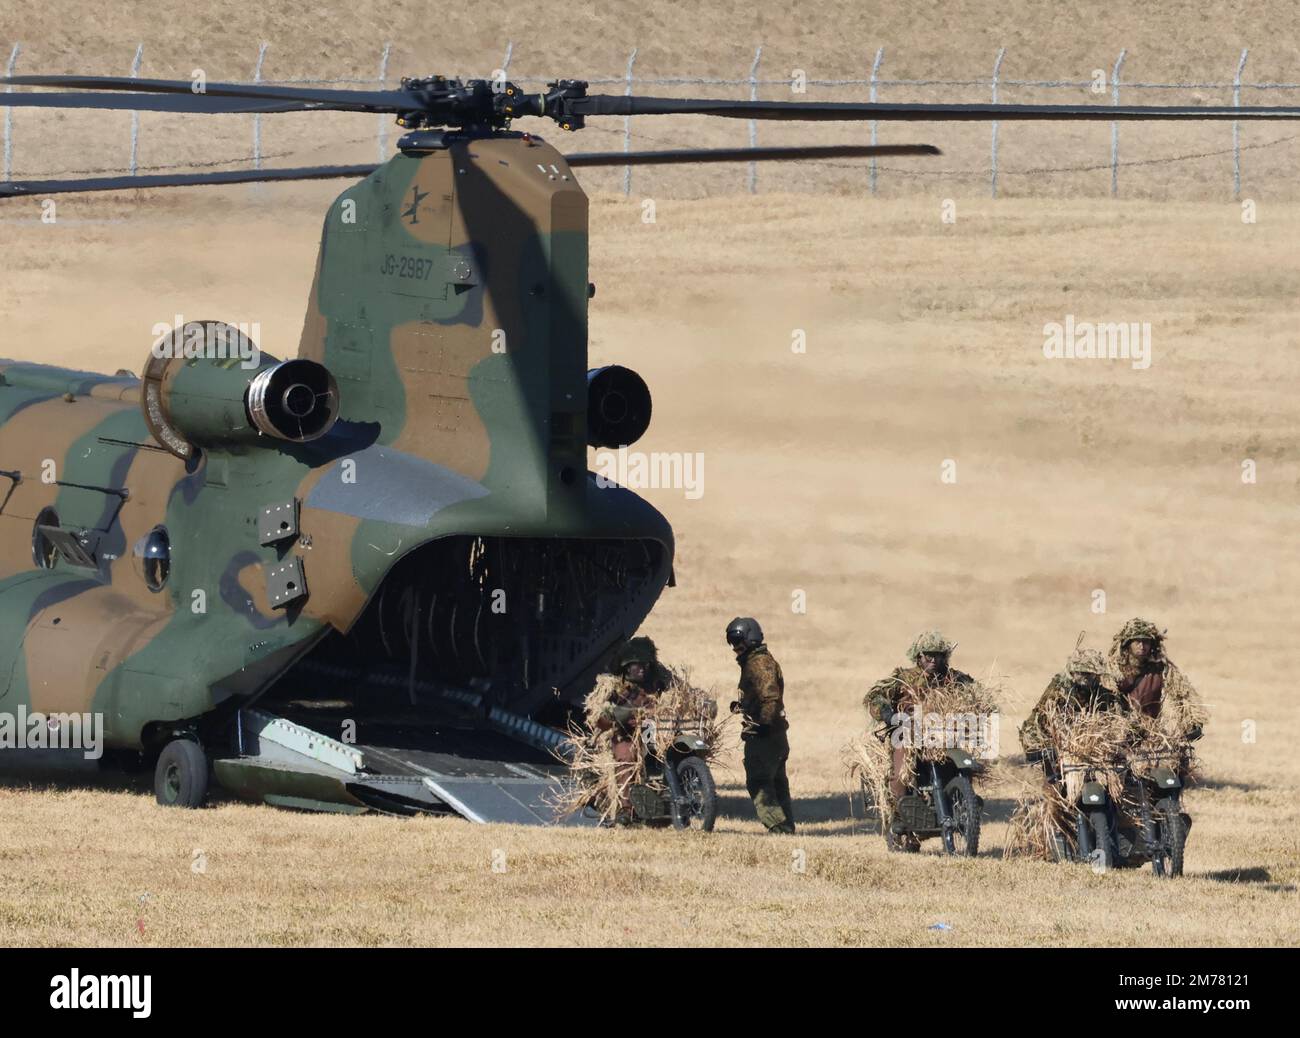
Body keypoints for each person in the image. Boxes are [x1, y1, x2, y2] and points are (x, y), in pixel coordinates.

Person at [864, 630, 973, 843]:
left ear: (946, 657)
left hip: (946, 737)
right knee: (901, 773)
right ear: (918, 656)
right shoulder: (903, 677)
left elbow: (979, 695)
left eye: (939, 655)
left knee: (967, 768)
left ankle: (966, 806)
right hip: (908, 735)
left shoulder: (956, 679)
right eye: (928, 655)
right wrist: (887, 713)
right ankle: (898, 815)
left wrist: (981, 707)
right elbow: (874, 697)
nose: (933, 660)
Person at [725, 617, 795, 834]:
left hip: (764, 736)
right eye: (732, 642)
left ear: (751, 638)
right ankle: (786, 829)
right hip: (776, 734)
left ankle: (778, 827)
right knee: (777, 783)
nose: (735, 647)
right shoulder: (759, 661)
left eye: (739, 641)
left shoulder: (758, 663)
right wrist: (743, 705)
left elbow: (770, 697)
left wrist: (763, 724)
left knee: (759, 782)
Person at [594, 636, 666, 822]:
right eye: (637, 664)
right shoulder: (614, 687)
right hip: (624, 735)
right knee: (626, 756)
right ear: (626, 666)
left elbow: (682, 693)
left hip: (656, 732)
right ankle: (627, 809)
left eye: (645, 664)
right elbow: (598, 718)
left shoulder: (658, 681)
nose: (642, 668)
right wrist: (616, 715)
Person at [1019, 643, 1128, 760]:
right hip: (1042, 740)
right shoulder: (1060, 691)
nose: (1085, 678)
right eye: (1081, 673)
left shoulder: (1102, 694)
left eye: (1090, 674)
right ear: (1072, 673)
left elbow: (1116, 721)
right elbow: (1054, 725)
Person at [1107, 618, 1205, 742]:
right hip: (1118, 733)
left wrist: (1193, 721)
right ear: (1127, 644)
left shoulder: (1160, 668)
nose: (1142, 646)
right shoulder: (1114, 668)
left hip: (1150, 732)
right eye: (1137, 641)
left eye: (1146, 642)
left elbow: (1182, 694)